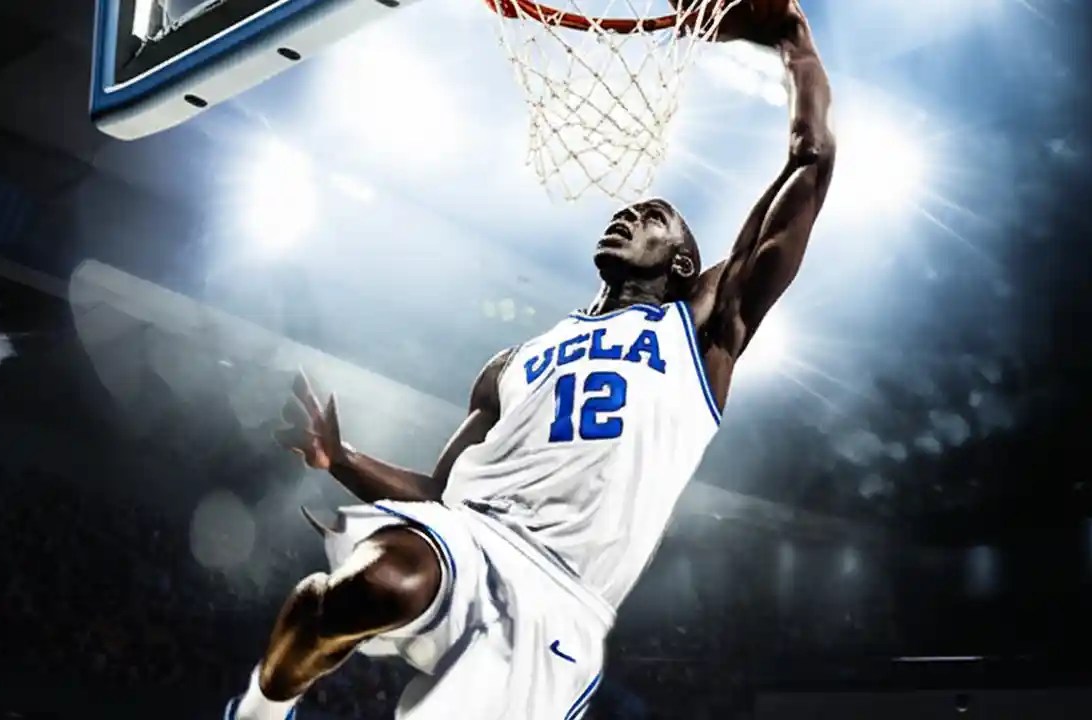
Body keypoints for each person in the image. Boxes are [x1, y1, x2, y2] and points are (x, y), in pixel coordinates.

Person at [226, 1, 834, 717]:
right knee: (364, 587)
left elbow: (810, 163)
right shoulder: (512, 363)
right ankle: (258, 714)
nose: (630, 214)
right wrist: (343, 458)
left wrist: (796, 45)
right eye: (629, 209)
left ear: (683, 262)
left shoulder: (703, 326)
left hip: (560, 598)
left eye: (654, 216)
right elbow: (442, 495)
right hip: (473, 534)